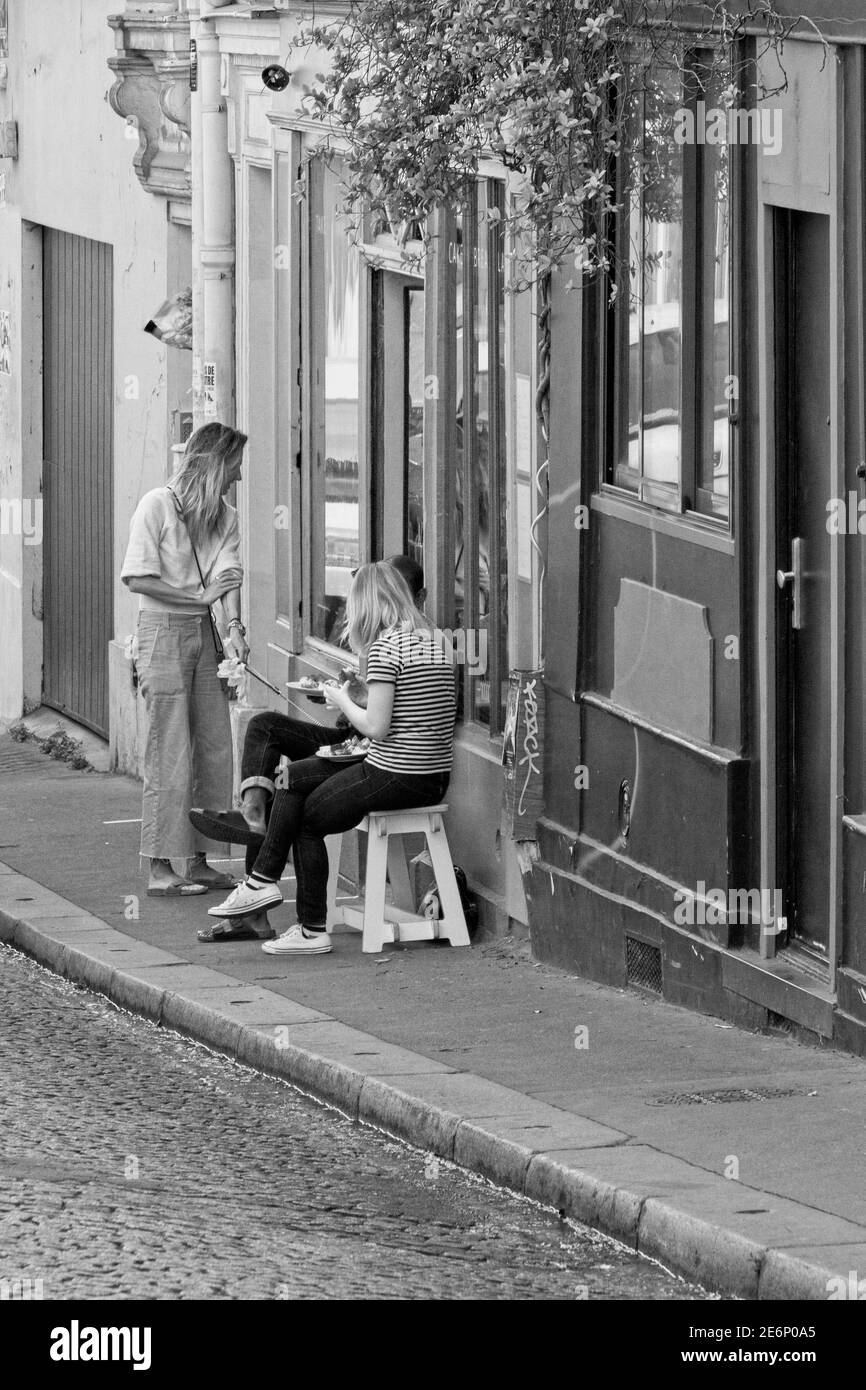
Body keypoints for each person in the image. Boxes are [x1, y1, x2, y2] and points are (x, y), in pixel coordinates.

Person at [197, 561, 455, 953]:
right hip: (429, 772)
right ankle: (267, 890)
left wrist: (340, 699)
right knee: (293, 781)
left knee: (304, 811)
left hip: (396, 770)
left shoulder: (387, 647)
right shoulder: (436, 639)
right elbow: (408, 708)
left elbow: (375, 728)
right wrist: (362, 696)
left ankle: (302, 920)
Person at [121, 422, 250, 895]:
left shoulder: (224, 516)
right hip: (160, 632)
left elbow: (228, 576)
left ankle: (197, 860)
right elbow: (136, 577)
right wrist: (199, 599)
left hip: (204, 634)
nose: (238, 476)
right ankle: (159, 869)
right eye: (234, 466)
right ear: (215, 464)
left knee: (214, 746)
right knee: (168, 749)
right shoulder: (156, 506)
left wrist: (234, 627)